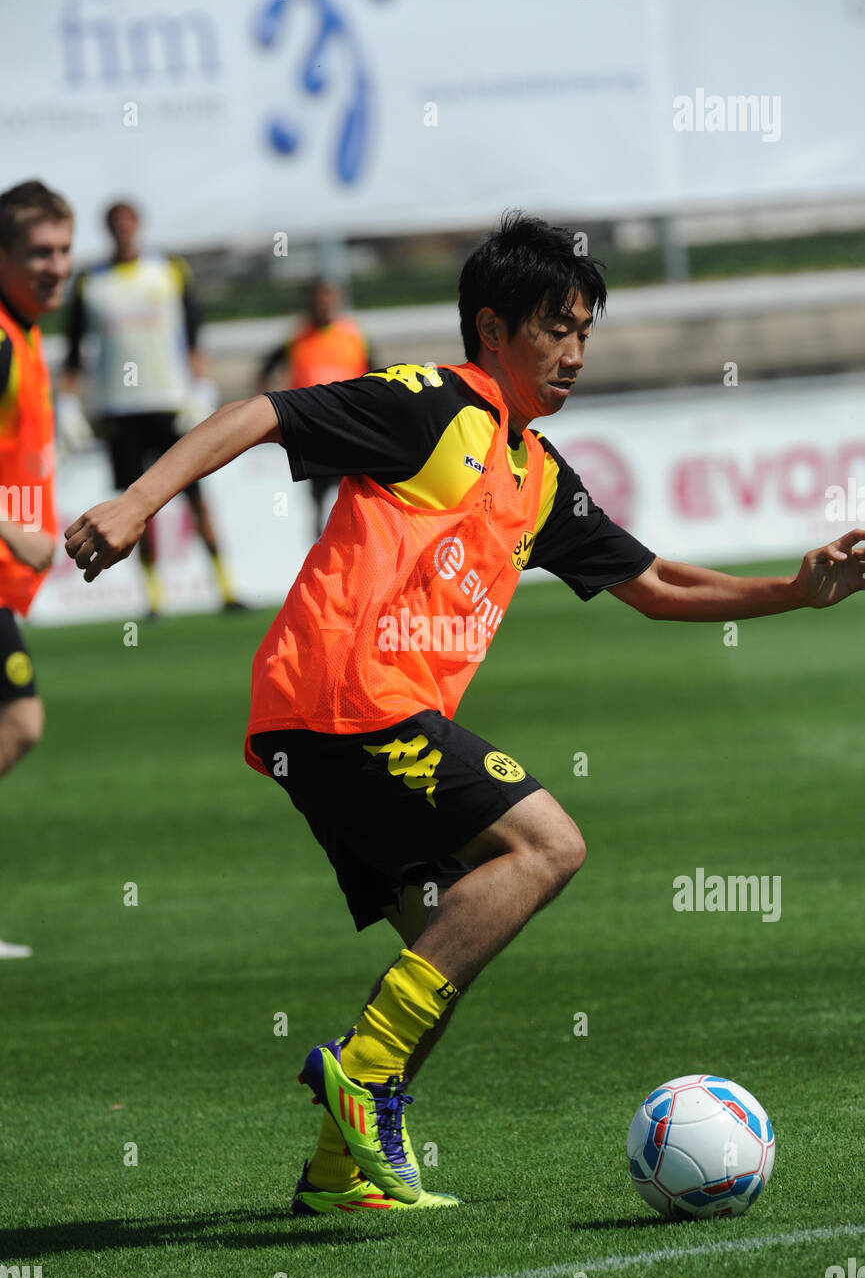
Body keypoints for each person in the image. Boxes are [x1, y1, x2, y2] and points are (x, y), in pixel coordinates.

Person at [64, 211, 865, 1212]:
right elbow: (260, 410)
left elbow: (656, 582)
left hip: (340, 724)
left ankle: (336, 1172)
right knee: (549, 847)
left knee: (447, 935)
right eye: (552, 328)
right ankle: (359, 1071)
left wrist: (793, 591)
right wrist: (138, 500)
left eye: (583, 331)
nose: (571, 352)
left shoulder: (537, 477)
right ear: (491, 328)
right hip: (347, 699)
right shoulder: (432, 405)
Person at [60, 200, 245, 617]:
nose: (123, 230)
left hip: (170, 404)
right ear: (108, 229)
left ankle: (226, 587)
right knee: (133, 504)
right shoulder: (91, 280)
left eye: (129, 222)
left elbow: (195, 335)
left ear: (138, 225)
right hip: (119, 409)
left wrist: (202, 387)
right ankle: (154, 597)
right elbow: (74, 351)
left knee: (196, 495)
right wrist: (68, 403)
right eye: (115, 224)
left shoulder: (169, 270)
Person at [0, 180, 74, 958]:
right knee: (20, 723)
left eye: (62, 250)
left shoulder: (22, 333)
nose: (56, 266)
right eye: (38, 253)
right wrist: (13, 528)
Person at [258, 277, 372, 539]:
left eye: (329, 297)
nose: (325, 304)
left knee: (355, 498)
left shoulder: (353, 337)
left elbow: (376, 377)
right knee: (318, 503)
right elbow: (265, 370)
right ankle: (321, 553)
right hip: (313, 434)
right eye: (320, 298)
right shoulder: (297, 339)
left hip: (349, 432)